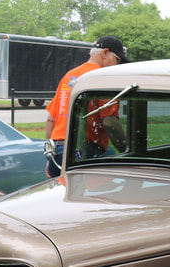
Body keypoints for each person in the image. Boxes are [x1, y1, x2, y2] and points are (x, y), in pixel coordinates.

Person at [44, 36, 130, 177]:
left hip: (57, 151)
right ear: (105, 53)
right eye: (117, 59)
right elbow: (109, 122)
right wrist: (128, 151)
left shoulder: (69, 76)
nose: (117, 65)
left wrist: (50, 157)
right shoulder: (103, 77)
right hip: (82, 151)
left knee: (62, 190)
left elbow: (51, 120)